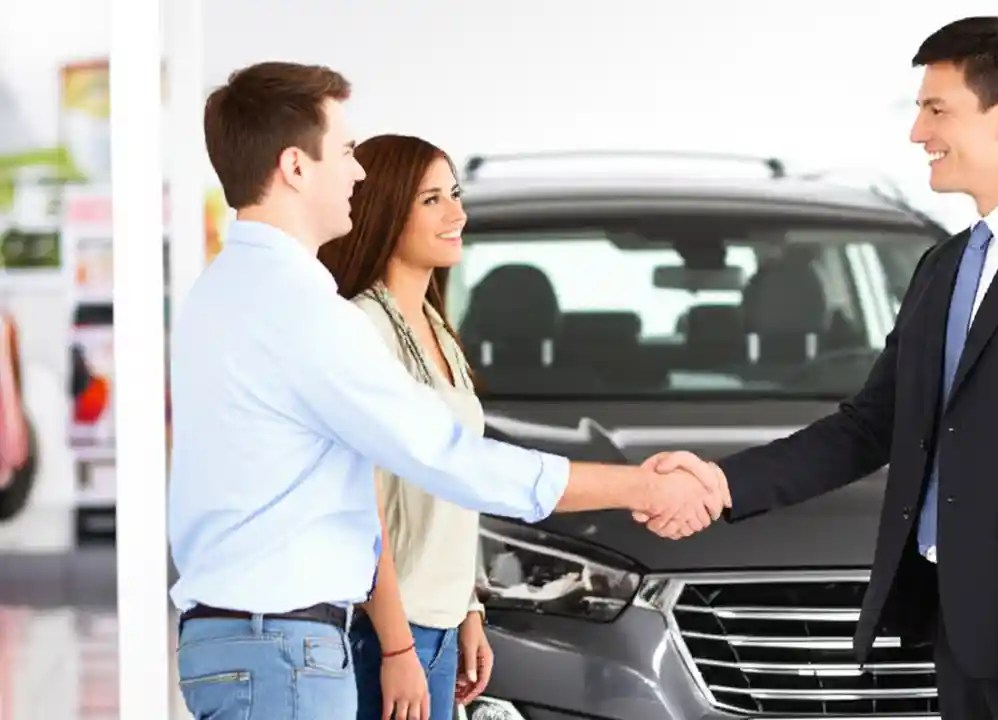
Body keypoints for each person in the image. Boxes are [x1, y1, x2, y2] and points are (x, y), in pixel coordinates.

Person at [168, 62, 729, 720]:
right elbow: (448, 457)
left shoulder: (223, 289)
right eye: (346, 151)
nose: (357, 172)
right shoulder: (302, 311)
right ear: (295, 166)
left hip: (245, 641)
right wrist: (641, 487)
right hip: (282, 650)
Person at [645, 16, 998, 720]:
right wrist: (722, 484)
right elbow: (869, 426)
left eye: (936, 109)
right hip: (958, 627)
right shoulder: (943, 266)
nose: (918, 132)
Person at [314, 134, 491, 720]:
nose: (456, 214)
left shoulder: (437, 327)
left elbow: (457, 478)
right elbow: (361, 502)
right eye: (432, 200)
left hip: (437, 625)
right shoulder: (365, 328)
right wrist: (397, 645)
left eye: (455, 195)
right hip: (390, 629)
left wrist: (469, 608)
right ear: (387, 211)